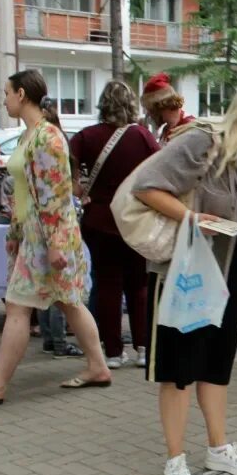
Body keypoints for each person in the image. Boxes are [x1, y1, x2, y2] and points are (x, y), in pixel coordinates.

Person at [132, 78, 237, 475]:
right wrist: (192, 219)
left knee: (217, 369)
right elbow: (145, 185)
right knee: (179, 371)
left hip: (232, 278)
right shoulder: (202, 142)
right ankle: (175, 458)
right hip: (189, 275)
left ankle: (217, 449)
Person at [0, 70, 110, 404]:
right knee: (68, 302)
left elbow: (54, 194)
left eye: (7, 93)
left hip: (47, 236)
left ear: (21, 94)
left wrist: (52, 244)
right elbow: (34, 192)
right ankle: (97, 366)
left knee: (20, 306)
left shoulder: (45, 137)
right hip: (38, 234)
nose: (4, 99)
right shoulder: (32, 136)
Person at [69, 80, 162, 369]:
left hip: (99, 220)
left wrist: (79, 187)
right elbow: (160, 169)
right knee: (139, 285)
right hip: (134, 220)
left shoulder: (87, 136)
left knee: (107, 285)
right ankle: (144, 347)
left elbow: (66, 161)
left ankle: (112, 351)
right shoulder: (143, 137)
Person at [141, 73, 194, 145]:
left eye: (152, 111)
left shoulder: (189, 127)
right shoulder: (166, 129)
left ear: (163, 105)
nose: (151, 115)